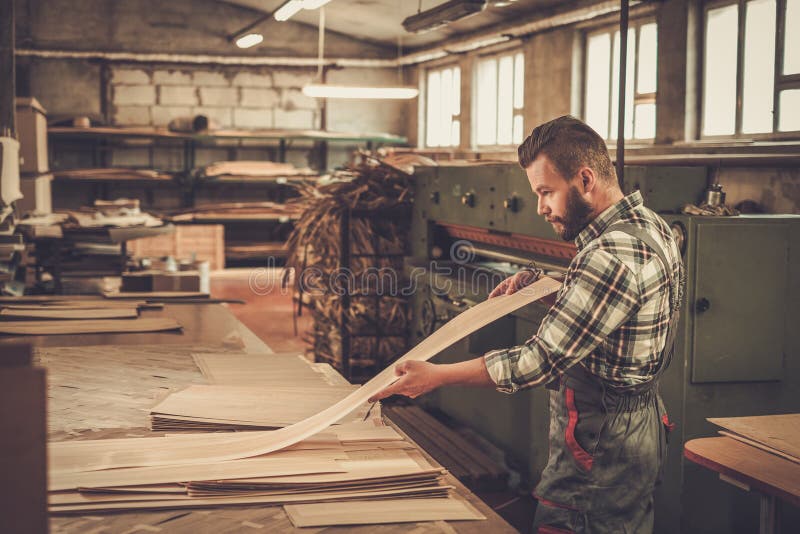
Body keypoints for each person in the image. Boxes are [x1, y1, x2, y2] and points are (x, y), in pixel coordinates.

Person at [370, 115, 685, 533]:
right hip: (637, 423)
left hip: (603, 437)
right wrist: (541, 287)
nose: (540, 208)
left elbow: (539, 361)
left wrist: (436, 375)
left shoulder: (610, 255)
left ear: (586, 179)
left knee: (576, 522)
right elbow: (615, 312)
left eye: (546, 192)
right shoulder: (649, 226)